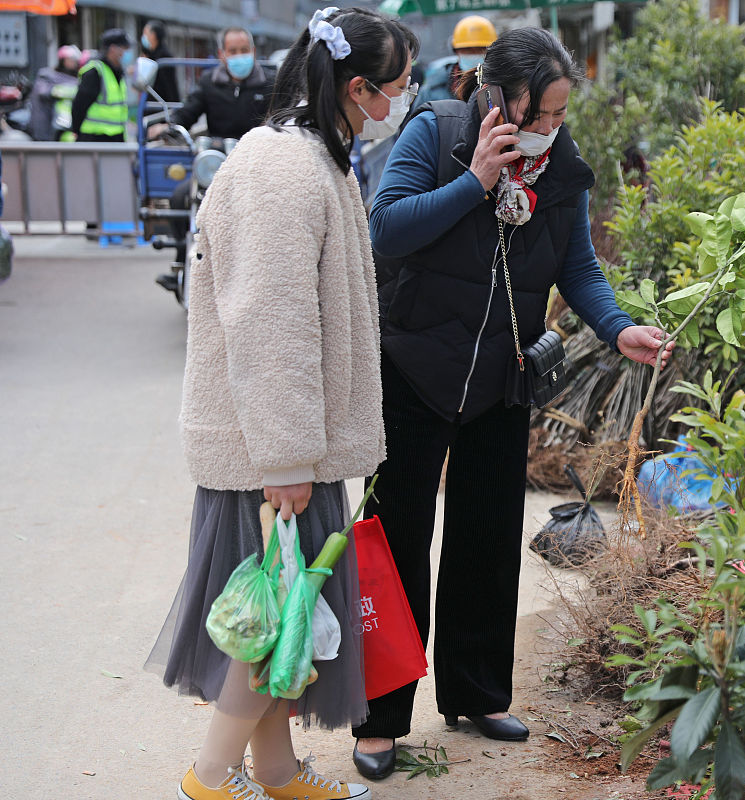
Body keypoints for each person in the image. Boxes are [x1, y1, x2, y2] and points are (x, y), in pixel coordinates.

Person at [351, 26, 675, 781]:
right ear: (498, 97)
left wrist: (619, 327)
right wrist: (473, 180)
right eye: (542, 115)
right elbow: (385, 228)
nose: (552, 130)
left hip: (502, 375)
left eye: (562, 116)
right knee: (395, 542)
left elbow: (578, 264)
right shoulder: (434, 132)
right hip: (412, 370)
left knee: (488, 536)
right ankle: (379, 717)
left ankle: (476, 692)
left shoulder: (562, 168)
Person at [144, 7, 416, 799]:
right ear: (358, 87)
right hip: (269, 450)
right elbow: (271, 322)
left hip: (277, 445)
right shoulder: (283, 167)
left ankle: (274, 770)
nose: (401, 99)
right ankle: (209, 775)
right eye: (397, 86)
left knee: (278, 620)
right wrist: (288, 456)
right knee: (272, 628)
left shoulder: (306, 157)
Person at [151, 26, 276, 294]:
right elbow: (187, 112)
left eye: (244, 50)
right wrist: (168, 126)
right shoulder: (209, 82)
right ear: (222, 54)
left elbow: (285, 115)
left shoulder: (271, 83)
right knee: (181, 197)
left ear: (253, 52)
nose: (239, 56)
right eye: (233, 51)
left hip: (260, 165)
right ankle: (182, 263)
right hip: (217, 166)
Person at [413, 14, 496, 107]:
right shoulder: (433, 89)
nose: (474, 54)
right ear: (456, 51)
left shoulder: (502, 86)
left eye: (480, 49)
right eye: (467, 49)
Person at [70, 28, 132, 143]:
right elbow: (79, 105)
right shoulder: (95, 71)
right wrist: (76, 131)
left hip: (116, 137)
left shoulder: (117, 71)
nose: (127, 54)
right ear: (113, 49)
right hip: (94, 138)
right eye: (124, 49)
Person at [30, 44, 80, 141]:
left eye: (75, 61)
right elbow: (44, 92)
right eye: (71, 60)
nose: (73, 63)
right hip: (46, 125)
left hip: (64, 127)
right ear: (62, 61)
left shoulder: (75, 79)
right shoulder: (46, 76)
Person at [140, 19, 181, 104]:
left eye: (145, 33)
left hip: (160, 105)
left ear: (153, 35)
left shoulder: (164, 57)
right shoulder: (149, 54)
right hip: (151, 103)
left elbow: (170, 86)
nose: (143, 36)